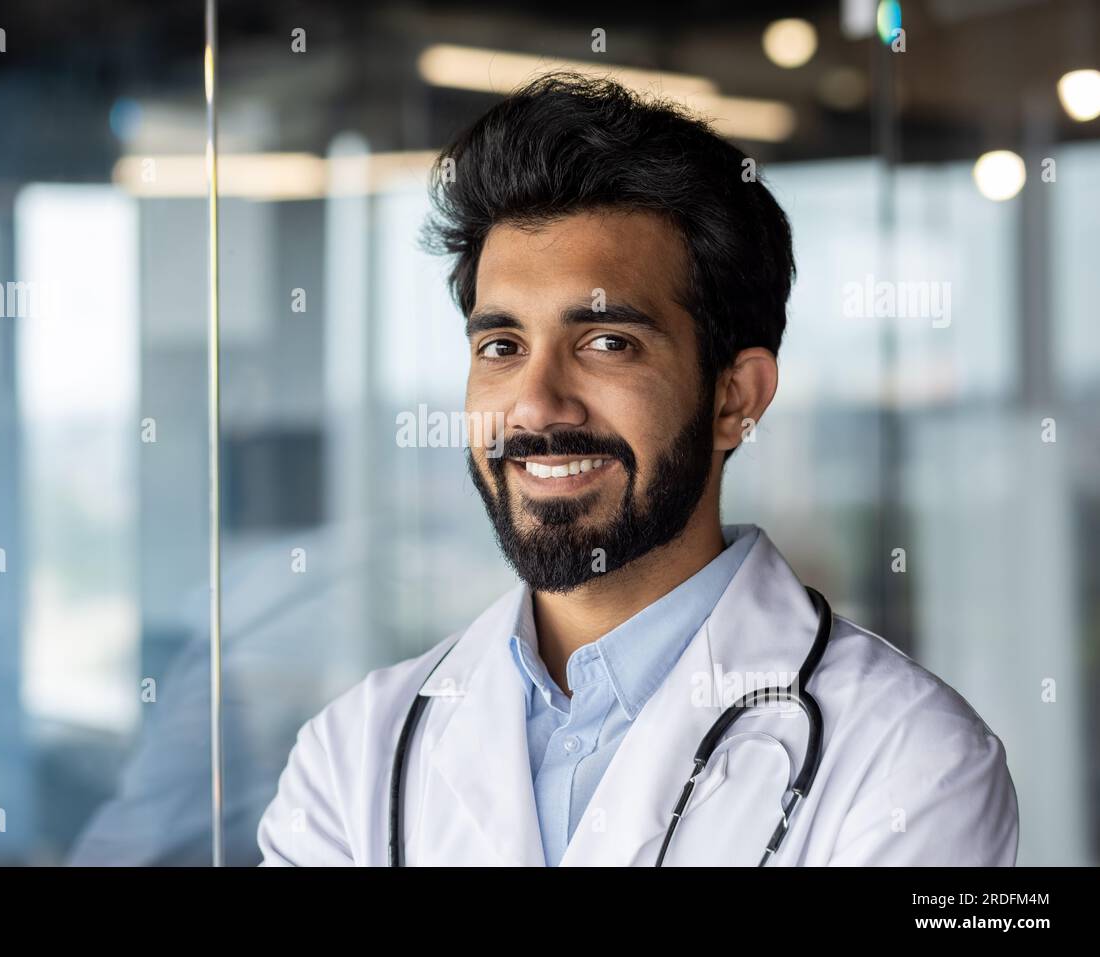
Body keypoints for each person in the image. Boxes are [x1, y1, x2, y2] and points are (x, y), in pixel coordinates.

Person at [255, 72, 1019, 866]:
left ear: (735, 398)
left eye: (606, 343)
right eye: (502, 347)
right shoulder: (354, 758)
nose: (536, 405)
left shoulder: (910, 764)